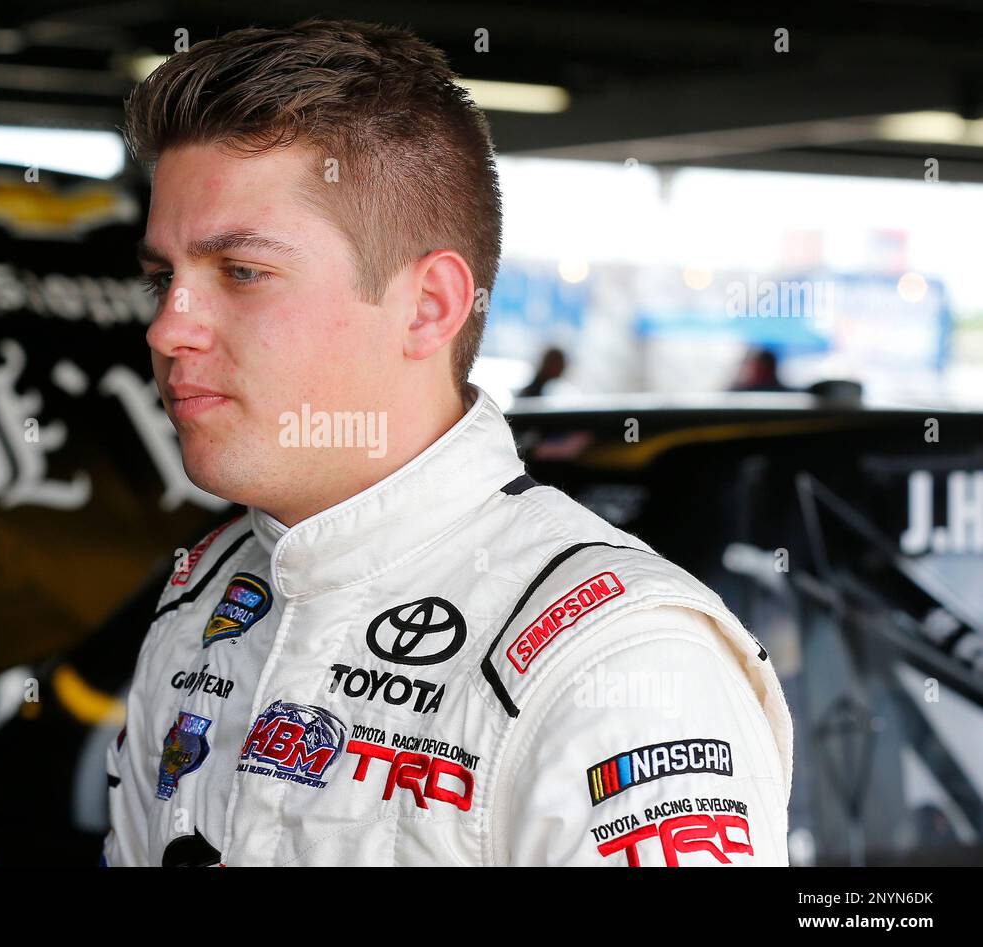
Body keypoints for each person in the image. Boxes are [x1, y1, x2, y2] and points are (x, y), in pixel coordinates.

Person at [104, 18, 792, 867]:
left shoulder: (619, 661)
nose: (169, 327)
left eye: (241, 272)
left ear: (428, 307)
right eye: (161, 277)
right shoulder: (199, 604)